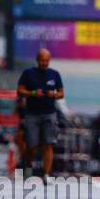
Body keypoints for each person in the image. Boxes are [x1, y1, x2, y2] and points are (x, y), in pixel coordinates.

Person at [16, 48, 64, 178]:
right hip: (32, 113)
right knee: (32, 144)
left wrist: (52, 94)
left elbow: (61, 93)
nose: (45, 63)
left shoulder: (54, 74)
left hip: (49, 113)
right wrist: (33, 93)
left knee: (48, 144)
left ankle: (46, 174)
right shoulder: (28, 73)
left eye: (47, 61)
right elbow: (20, 90)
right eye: (42, 60)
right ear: (38, 60)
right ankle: (29, 167)